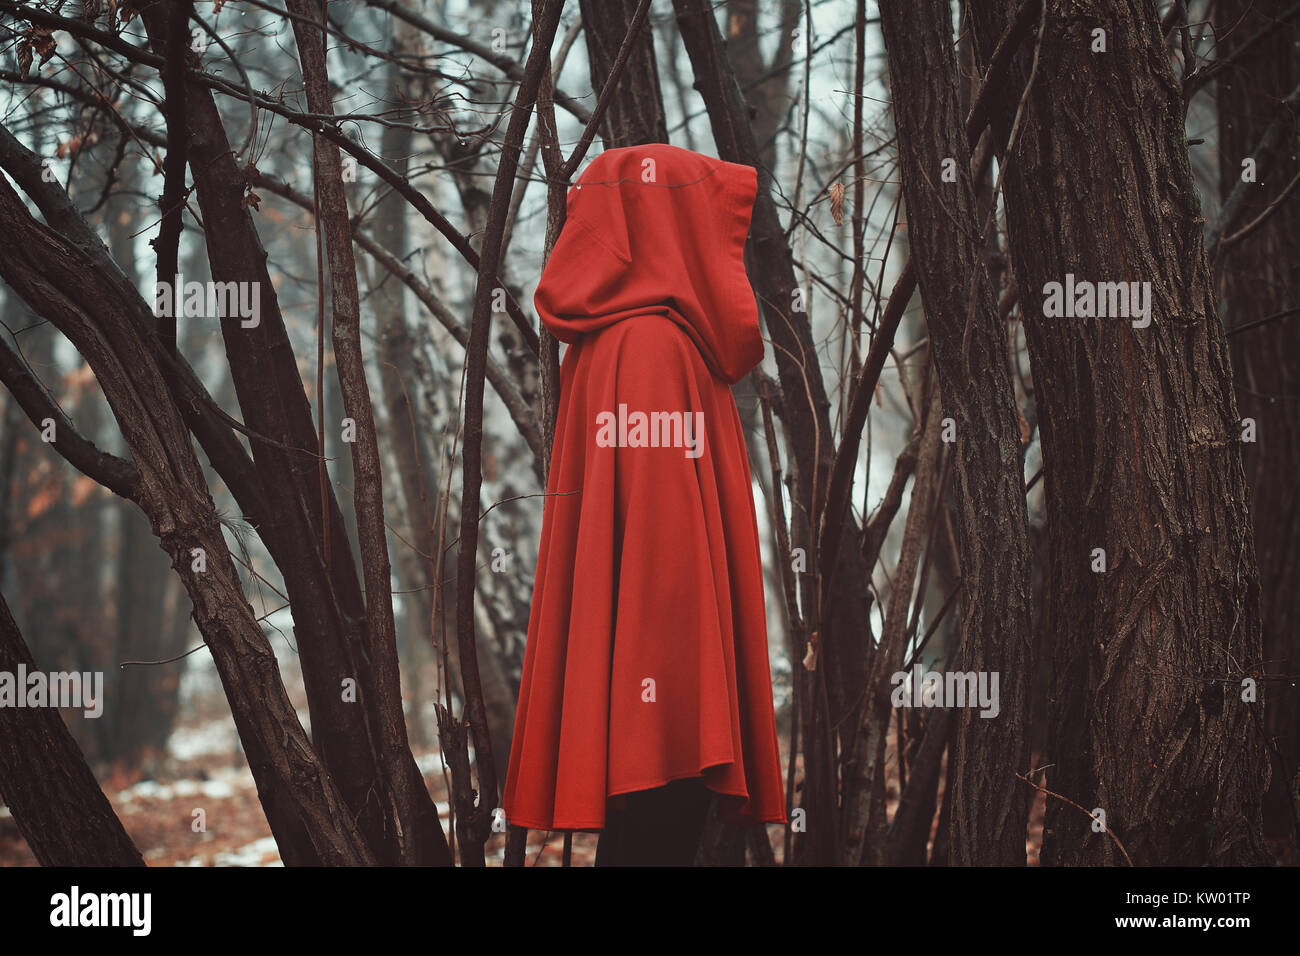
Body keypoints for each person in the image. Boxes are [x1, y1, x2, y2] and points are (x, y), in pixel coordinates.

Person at [502, 143, 787, 867]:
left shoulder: (622, 340)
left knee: (646, 834)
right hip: (662, 677)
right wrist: (676, 702)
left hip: (648, 677)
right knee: (655, 827)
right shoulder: (651, 345)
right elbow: (661, 553)